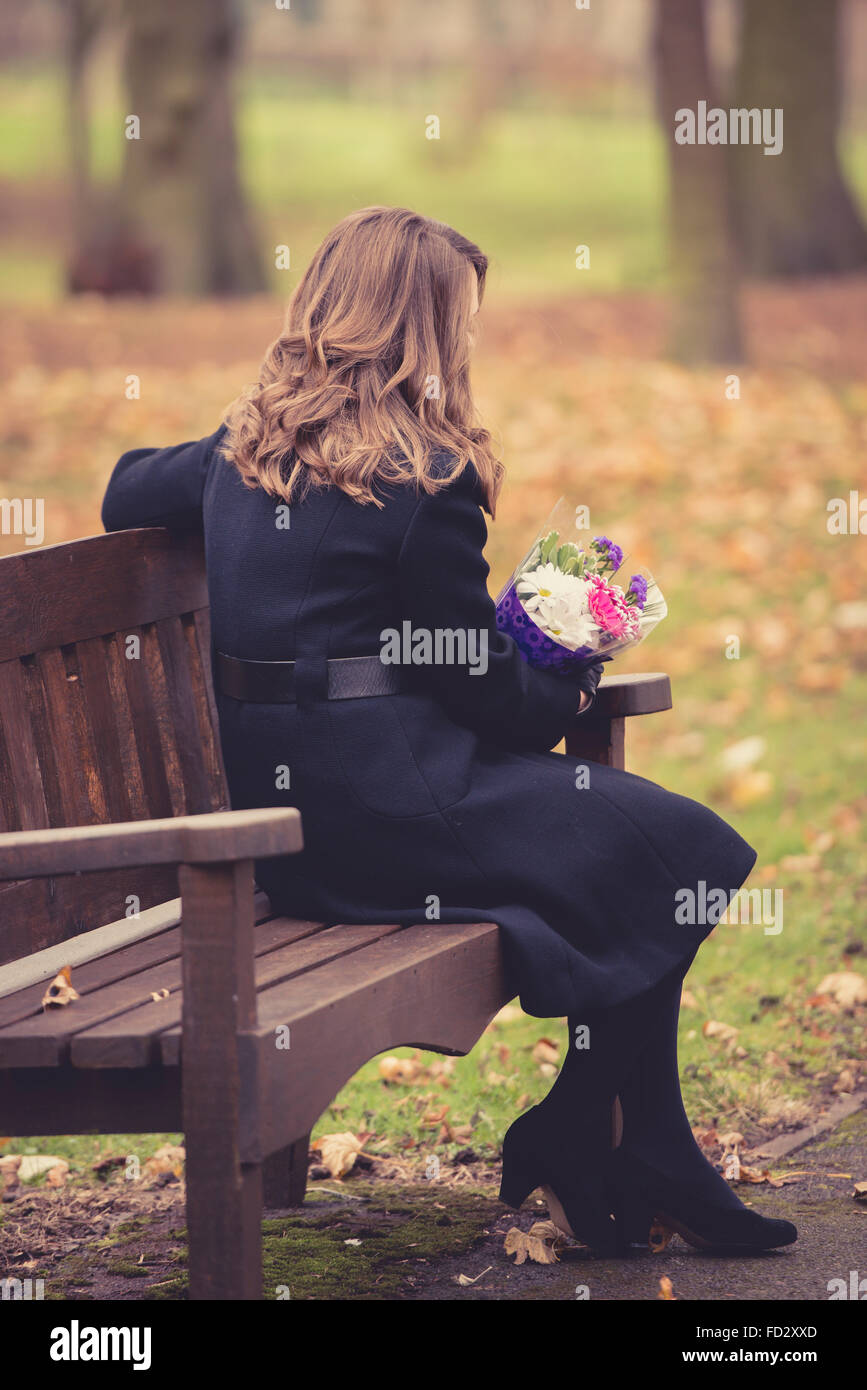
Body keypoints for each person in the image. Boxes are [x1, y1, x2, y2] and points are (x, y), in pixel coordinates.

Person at [101, 206, 796, 1256]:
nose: (466, 341)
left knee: (629, 849)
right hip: (390, 810)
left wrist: (231, 441)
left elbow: (118, 488)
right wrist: (566, 685)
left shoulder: (240, 451)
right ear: (421, 326)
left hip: (283, 821)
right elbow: (476, 684)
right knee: (682, 848)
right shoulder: (426, 476)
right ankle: (585, 1128)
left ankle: (646, 1143)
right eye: (459, 319)